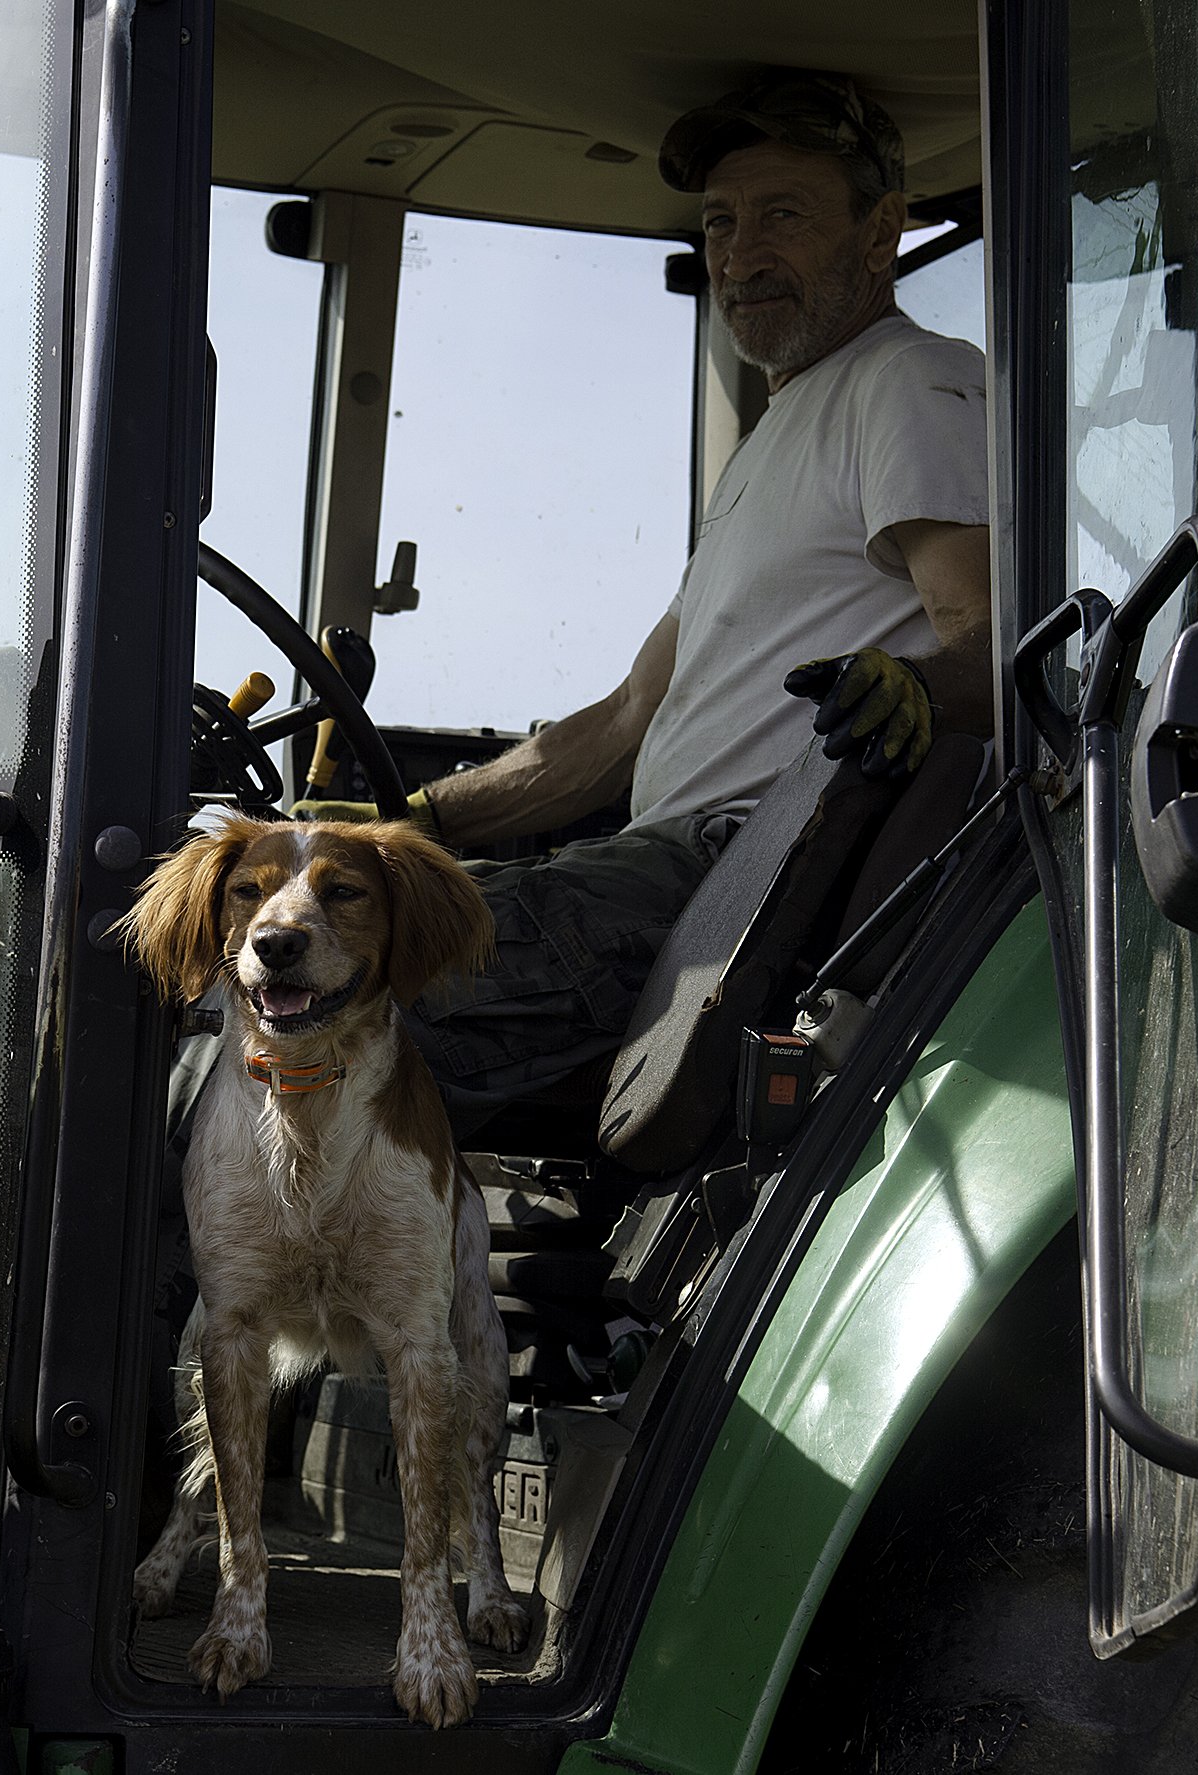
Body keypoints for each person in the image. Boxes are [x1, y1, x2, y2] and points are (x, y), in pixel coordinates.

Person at [300, 69, 993, 1134]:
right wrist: (415, 820)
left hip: (725, 878)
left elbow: (992, 640)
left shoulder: (903, 382)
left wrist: (916, 689)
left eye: (783, 216)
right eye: (720, 223)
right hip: (664, 868)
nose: (740, 253)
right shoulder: (780, 438)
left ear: (880, 230)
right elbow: (626, 724)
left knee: (297, 997)